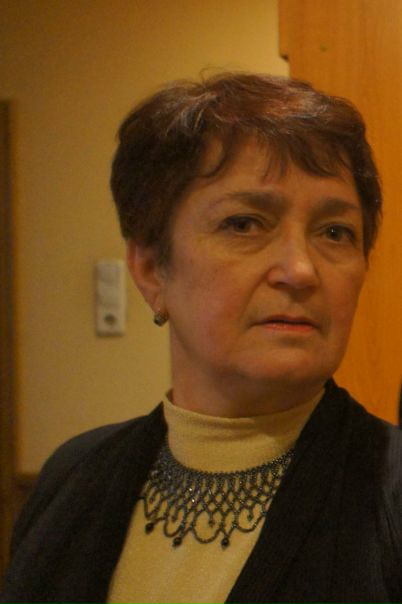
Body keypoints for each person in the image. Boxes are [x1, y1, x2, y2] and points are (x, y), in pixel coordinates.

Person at [1, 72, 402, 604]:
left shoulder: (390, 495)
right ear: (151, 269)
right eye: (244, 224)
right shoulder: (72, 478)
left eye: (335, 232)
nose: (301, 270)